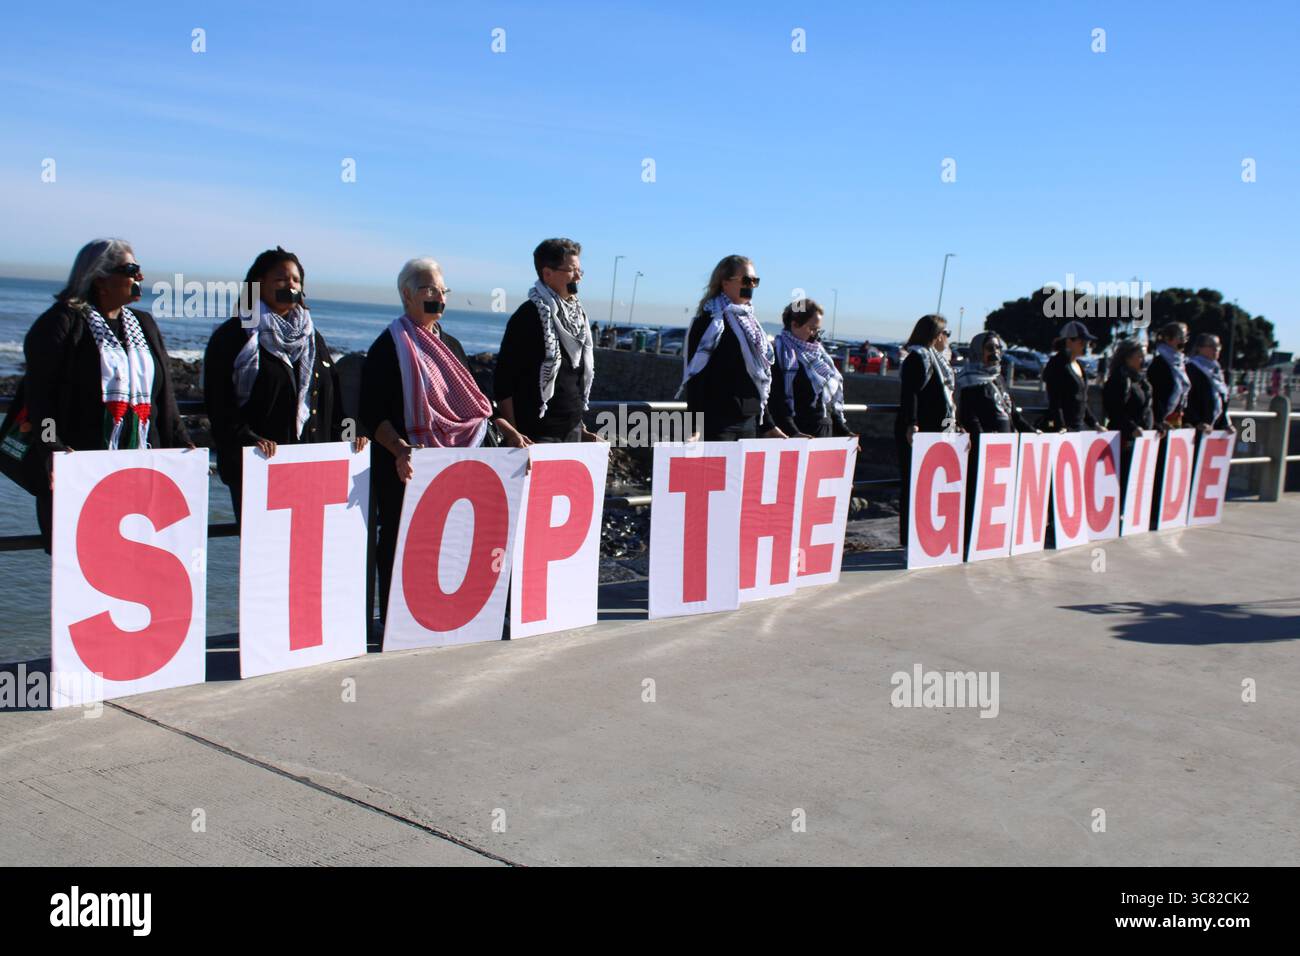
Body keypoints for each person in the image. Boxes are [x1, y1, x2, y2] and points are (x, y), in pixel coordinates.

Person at [361, 257, 531, 623]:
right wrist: (400, 448)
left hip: (452, 462)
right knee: (397, 536)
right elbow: (371, 414)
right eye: (429, 289)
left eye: (443, 290)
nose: (439, 296)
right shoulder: (388, 346)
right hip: (406, 465)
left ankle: (443, 613)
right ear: (406, 295)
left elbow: (477, 401)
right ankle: (396, 620)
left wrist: (508, 429)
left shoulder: (450, 343)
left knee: (449, 535)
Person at [22, 239, 192, 549]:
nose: (139, 278)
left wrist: (181, 443)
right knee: (82, 572)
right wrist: (51, 448)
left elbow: (163, 396)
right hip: (81, 473)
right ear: (100, 278)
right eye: (131, 270)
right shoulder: (60, 324)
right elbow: (40, 398)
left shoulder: (144, 324)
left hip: (142, 471)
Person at [204, 247, 363, 516]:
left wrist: (350, 435)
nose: (290, 284)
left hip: (311, 466)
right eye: (280, 279)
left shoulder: (312, 337)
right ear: (258, 285)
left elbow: (331, 397)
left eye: (296, 280)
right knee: (263, 553)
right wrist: (247, 438)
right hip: (259, 466)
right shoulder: (233, 335)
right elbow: (218, 401)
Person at [494, 238, 602, 443]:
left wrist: (581, 428)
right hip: (535, 434)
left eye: (580, 270)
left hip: (571, 431)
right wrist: (513, 433)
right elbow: (503, 382)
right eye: (572, 270)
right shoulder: (527, 316)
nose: (578, 277)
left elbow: (574, 377)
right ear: (547, 273)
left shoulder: (579, 317)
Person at [680, 255, 788, 441]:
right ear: (725, 283)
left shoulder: (752, 325)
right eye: (747, 280)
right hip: (718, 422)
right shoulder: (707, 323)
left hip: (749, 422)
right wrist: (694, 426)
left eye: (755, 281)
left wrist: (768, 424)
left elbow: (758, 379)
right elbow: (696, 376)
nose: (751, 286)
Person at [895, 314, 955, 544]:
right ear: (936, 335)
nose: (947, 339)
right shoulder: (918, 358)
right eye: (946, 333)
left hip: (936, 430)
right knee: (913, 484)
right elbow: (909, 394)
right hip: (919, 432)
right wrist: (912, 423)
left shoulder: (937, 360)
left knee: (932, 485)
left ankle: (926, 534)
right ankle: (909, 538)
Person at [767, 299, 857, 439]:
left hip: (822, 432)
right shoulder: (777, 353)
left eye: (818, 330)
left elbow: (827, 401)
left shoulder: (819, 355)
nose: (816, 335)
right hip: (797, 434)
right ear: (795, 325)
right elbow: (776, 401)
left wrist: (843, 430)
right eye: (812, 329)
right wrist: (793, 432)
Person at [1102, 338, 1157, 492]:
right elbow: (1114, 410)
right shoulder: (1118, 380)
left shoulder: (1140, 380)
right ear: (1127, 358)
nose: (1143, 360)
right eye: (1139, 356)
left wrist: (1156, 425)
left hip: (1141, 441)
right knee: (1122, 482)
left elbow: (1146, 408)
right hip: (1124, 441)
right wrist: (1131, 427)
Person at [956, 331, 1035, 435]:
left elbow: (1014, 414)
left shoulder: (998, 378)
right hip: (986, 446)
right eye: (990, 348)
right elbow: (970, 419)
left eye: (998, 347)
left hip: (1006, 443)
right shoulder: (968, 381)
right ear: (978, 351)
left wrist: (1033, 433)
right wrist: (983, 442)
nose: (995, 352)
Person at [1041, 320, 1102, 432]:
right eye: (1082, 342)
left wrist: (1094, 424)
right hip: (1064, 430)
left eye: (1087, 342)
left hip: (1077, 427)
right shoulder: (1057, 364)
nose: (1086, 346)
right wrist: (1061, 426)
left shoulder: (1079, 366)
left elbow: (1082, 400)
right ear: (1069, 341)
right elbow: (1054, 400)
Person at [1185, 333, 1233, 432]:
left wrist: (1225, 423)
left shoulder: (1217, 371)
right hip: (1195, 428)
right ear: (1199, 348)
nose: (1216, 349)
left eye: (1218, 346)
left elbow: (1221, 400)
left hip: (1213, 428)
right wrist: (1196, 422)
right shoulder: (1191, 368)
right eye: (1211, 346)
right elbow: (1187, 399)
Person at [1147, 321, 1190, 429]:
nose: (1183, 341)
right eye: (1180, 337)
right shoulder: (1159, 363)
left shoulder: (1181, 363)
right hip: (1160, 422)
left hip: (1176, 419)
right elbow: (1156, 395)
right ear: (1167, 338)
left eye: (1185, 337)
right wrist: (1159, 420)